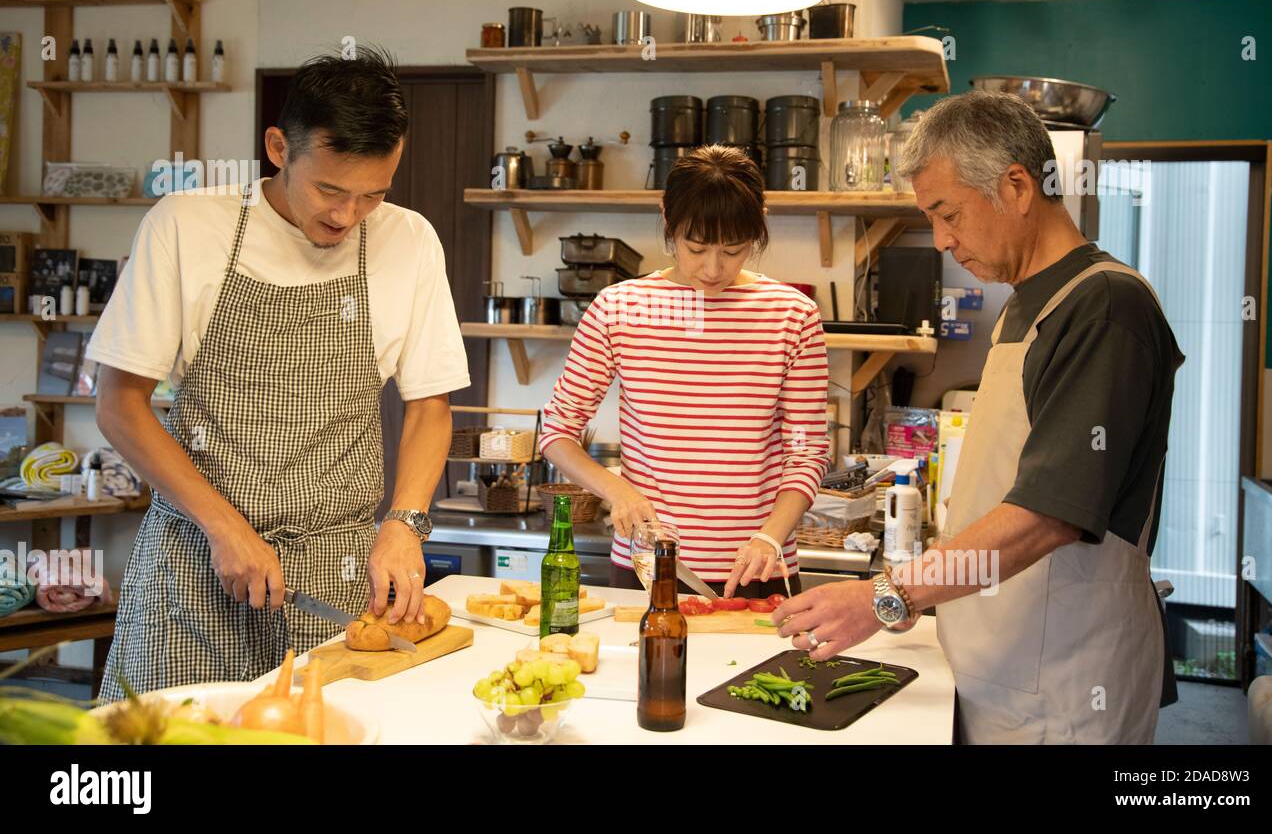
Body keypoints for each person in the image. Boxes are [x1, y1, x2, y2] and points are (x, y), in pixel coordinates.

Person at [773, 90, 1183, 743]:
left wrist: (892, 595)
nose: (942, 241)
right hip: (1004, 665)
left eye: (948, 214)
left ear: (1017, 187)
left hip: (1067, 683)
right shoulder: (1024, 308)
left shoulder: (1104, 306)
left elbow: (1048, 514)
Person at [90, 47, 470, 700]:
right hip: (195, 564)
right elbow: (119, 405)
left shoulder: (410, 241)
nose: (347, 216)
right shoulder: (185, 226)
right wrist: (224, 526)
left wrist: (406, 522)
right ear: (278, 147)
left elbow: (430, 405)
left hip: (334, 569)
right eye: (329, 189)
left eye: (373, 195)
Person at [539, 145, 830, 598]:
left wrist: (771, 535)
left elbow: (806, 452)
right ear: (667, 219)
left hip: (758, 568)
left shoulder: (792, 315)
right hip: (648, 565)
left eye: (733, 250)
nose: (713, 269)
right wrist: (616, 490)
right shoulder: (620, 310)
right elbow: (557, 431)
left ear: (760, 225)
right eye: (696, 248)